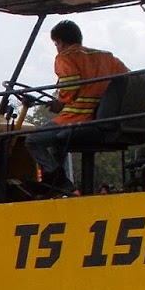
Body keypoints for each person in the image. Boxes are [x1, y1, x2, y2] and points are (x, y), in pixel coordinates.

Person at [26, 20, 129, 195]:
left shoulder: (65, 57)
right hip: (104, 118)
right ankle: (63, 187)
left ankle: (57, 179)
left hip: (77, 118)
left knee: (32, 141)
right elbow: (127, 80)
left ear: (61, 42)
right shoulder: (106, 57)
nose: (57, 48)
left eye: (56, 44)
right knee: (57, 140)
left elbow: (69, 88)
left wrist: (60, 102)